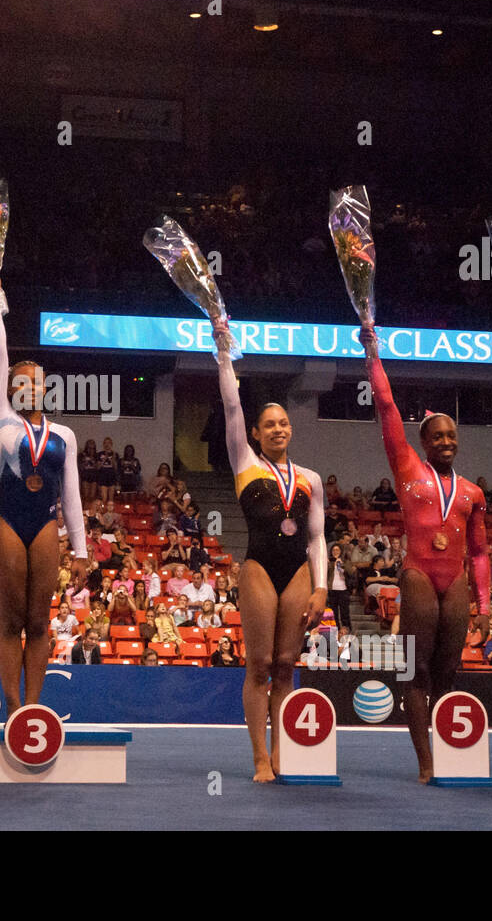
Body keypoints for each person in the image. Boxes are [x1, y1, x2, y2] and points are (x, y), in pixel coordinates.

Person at [361, 322, 489, 783]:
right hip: (417, 575)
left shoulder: (473, 492)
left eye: (452, 436)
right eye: (438, 436)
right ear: (423, 442)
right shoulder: (406, 466)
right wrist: (373, 355)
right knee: (415, 673)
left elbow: (479, 553)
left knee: (447, 671)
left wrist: (486, 605)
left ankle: (450, 752)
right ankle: (425, 762)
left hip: (454, 580)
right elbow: (387, 406)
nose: (447, 442)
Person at [212, 316, 327, 782]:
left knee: (285, 665)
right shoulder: (244, 463)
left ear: (290, 429)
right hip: (259, 568)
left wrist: (322, 589)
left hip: (298, 572)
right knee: (258, 664)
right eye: (269, 425)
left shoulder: (311, 480)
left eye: (284, 423)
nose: (278, 429)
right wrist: (224, 353)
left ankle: (282, 752)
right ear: (256, 434)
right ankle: (259, 756)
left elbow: (317, 538)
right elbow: (231, 404)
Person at [0, 267, 87, 714]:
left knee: (40, 621)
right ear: (9, 389)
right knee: (13, 619)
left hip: (45, 523)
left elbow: (73, 495)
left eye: (37, 381)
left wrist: (80, 551)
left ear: (47, 388)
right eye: (20, 382)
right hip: (8, 519)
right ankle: (9, 706)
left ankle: (33, 708)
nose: (29, 387)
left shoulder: (64, 435)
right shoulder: (0, 420)